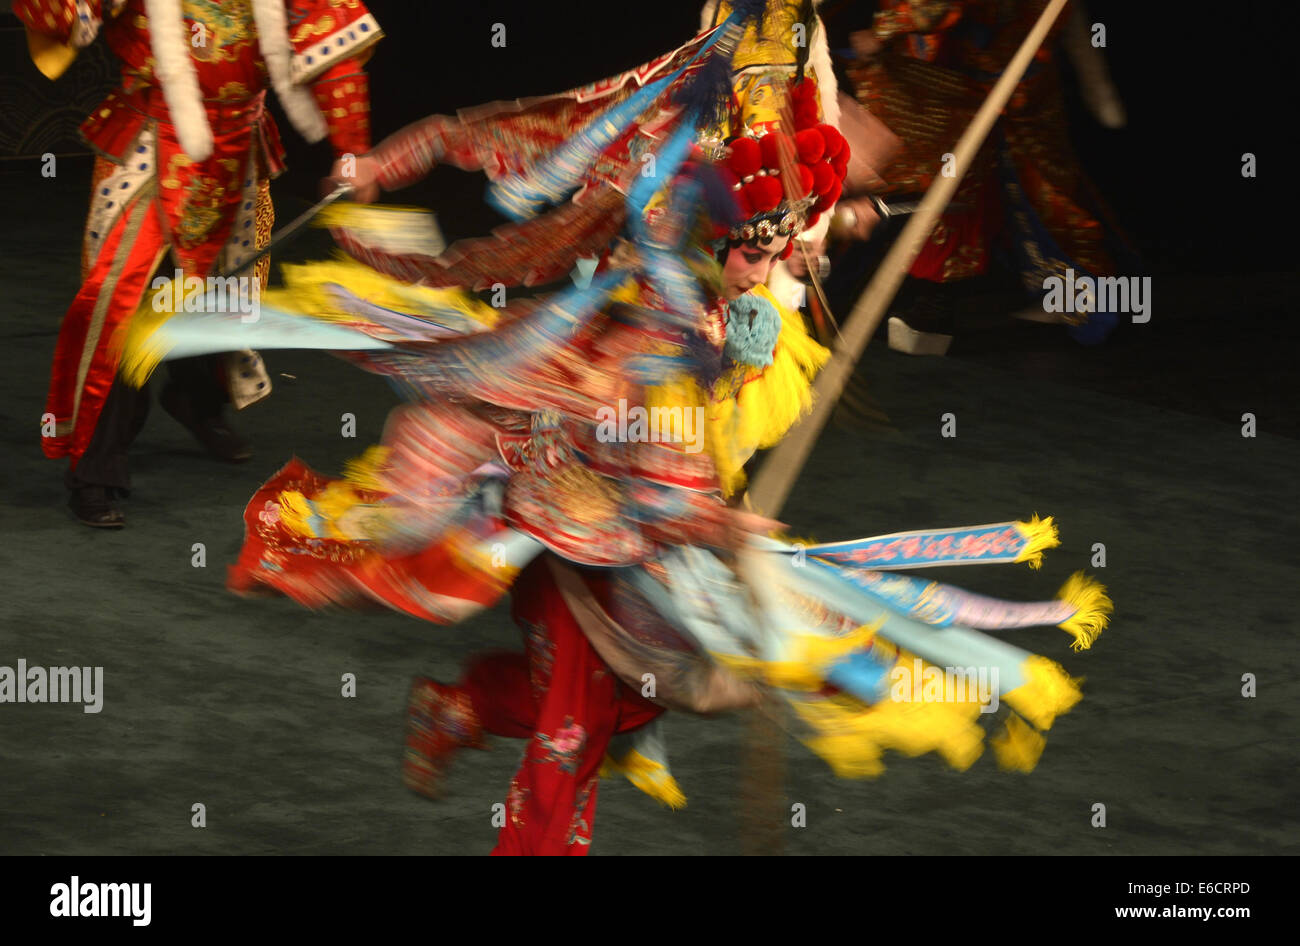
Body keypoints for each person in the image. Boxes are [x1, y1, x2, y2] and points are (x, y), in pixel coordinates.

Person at [125, 0, 1112, 855]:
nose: (771, 262)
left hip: (658, 518)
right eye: (756, 246)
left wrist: (838, 211)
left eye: (783, 245)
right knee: (574, 727)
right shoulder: (657, 308)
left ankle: (462, 705)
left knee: (628, 704)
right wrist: (725, 528)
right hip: (582, 507)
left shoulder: (750, 264)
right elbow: (533, 141)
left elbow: (807, 185)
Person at [16, 0, 382, 527]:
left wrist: (351, 148)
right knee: (120, 301)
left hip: (238, 148)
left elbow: (331, 39)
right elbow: (66, 16)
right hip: (151, 143)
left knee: (225, 298)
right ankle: (96, 467)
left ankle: (196, 401)